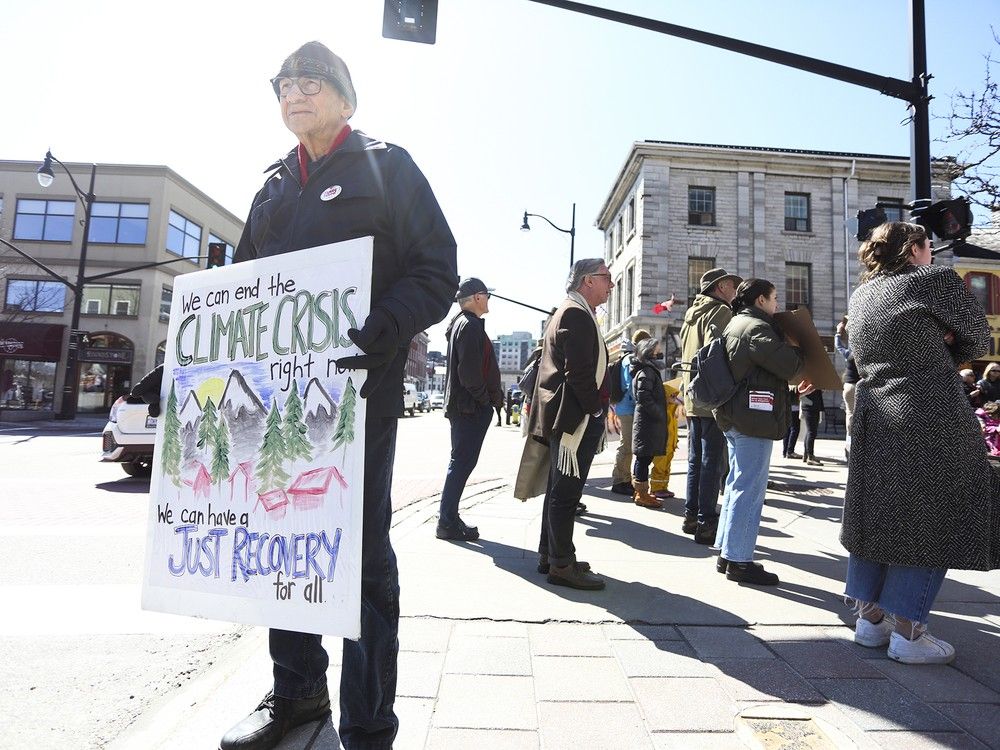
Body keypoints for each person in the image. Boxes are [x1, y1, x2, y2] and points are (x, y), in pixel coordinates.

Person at [218, 41, 458, 749]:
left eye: (310, 83)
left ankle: (369, 719)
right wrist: (185, 363)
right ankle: (296, 694)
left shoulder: (389, 167)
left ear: (345, 99)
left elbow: (437, 271)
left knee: (360, 554)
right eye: (284, 85)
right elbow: (239, 292)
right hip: (275, 403)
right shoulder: (271, 188)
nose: (294, 94)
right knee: (283, 539)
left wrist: (391, 322)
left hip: (358, 396)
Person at [842, 221, 1000, 665]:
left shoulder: (862, 295)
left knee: (877, 510)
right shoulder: (932, 279)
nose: (932, 252)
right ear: (913, 249)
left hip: (876, 411)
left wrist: (930, 339)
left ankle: (870, 620)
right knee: (935, 510)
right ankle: (909, 632)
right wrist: (941, 344)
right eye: (928, 245)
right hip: (929, 408)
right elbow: (978, 337)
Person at [527, 258, 613, 590]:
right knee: (566, 494)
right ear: (588, 281)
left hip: (567, 416)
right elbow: (578, 374)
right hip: (574, 419)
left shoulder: (572, 311)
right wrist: (596, 411)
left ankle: (552, 555)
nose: (611, 285)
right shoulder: (575, 314)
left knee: (559, 492)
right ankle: (562, 565)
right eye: (607, 278)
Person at [713, 278, 806, 585]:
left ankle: (727, 552)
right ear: (761, 300)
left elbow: (756, 375)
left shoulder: (736, 323)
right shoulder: (756, 328)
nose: (778, 303)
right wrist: (797, 342)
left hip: (738, 415)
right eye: (774, 297)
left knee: (736, 483)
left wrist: (792, 393)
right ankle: (740, 561)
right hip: (752, 419)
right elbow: (790, 367)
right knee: (749, 488)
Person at [437, 277, 503, 541]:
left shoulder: (461, 324)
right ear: (477, 297)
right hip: (469, 408)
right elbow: (469, 374)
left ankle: (449, 519)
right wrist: (485, 401)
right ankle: (447, 522)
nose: (488, 300)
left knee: (461, 463)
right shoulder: (470, 325)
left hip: (465, 407)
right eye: (487, 295)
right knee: (461, 464)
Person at [680, 267, 742, 543]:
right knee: (711, 462)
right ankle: (706, 521)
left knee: (695, 460)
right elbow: (717, 354)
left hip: (692, 396)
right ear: (720, 287)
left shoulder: (691, 315)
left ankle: (691, 515)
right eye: (731, 284)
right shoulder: (720, 312)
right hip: (710, 397)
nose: (735, 290)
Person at [609, 329, 651, 496]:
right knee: (626, 446)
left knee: (628, 445)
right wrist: (641, 402)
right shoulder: (630, 359)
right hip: (628, 409)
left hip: (627, 408)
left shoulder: (631, 358)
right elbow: (631, 386)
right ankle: (619, 481)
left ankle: (625, 479)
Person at [629, 337, 667, 509]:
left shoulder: (648, 370)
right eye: (657, 349)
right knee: (643, 459)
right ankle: (641, 494)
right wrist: (659, 413)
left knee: (644, 458)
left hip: (647, 423)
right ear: (649, 352)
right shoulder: (647, 372)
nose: (660, 352)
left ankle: (640, 491)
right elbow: (644, 398)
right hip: (647, 423)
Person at [649, 378, 683, 499]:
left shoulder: (672, 410)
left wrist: (675, 441)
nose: (674, 397)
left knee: (666, 466)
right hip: (662, 444)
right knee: (659, 466)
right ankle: (656, 488)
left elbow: (673, 429)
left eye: (675, 395)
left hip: (670, 445)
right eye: (671, 395)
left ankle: (663, 486)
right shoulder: (662, 411)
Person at [835, 316, 860, 455]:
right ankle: (853, 441)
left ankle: (849, 442)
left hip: (849, 386)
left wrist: (838, 333)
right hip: (859, 386)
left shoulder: (850, 354)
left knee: (850, 414)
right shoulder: (861, 354)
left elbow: (839, 346)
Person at [799, 388, 825, 466]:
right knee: (811, 432)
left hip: (811, 404)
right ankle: (810, 457)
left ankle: (807, 454)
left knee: (809, 431)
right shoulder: (810, 381)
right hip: (810, 405)